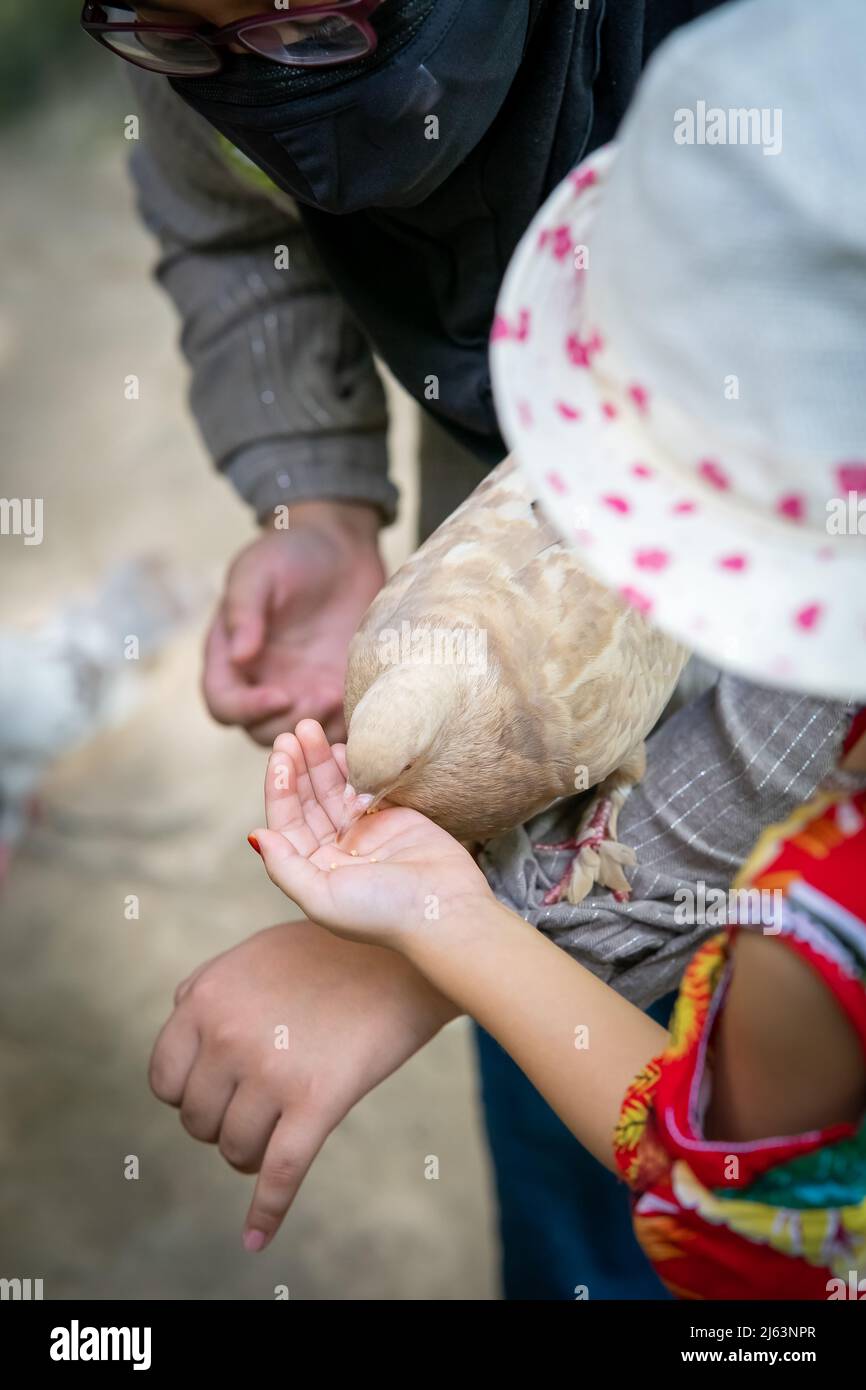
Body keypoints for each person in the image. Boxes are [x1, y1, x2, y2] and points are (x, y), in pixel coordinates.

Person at [84, 0, 850, 1295]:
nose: (242, 71)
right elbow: (226, 199)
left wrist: (458, 935)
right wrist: (317, 497)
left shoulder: (806, 932)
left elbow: (739, 1207)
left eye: (315, 28)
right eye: (176, 38)